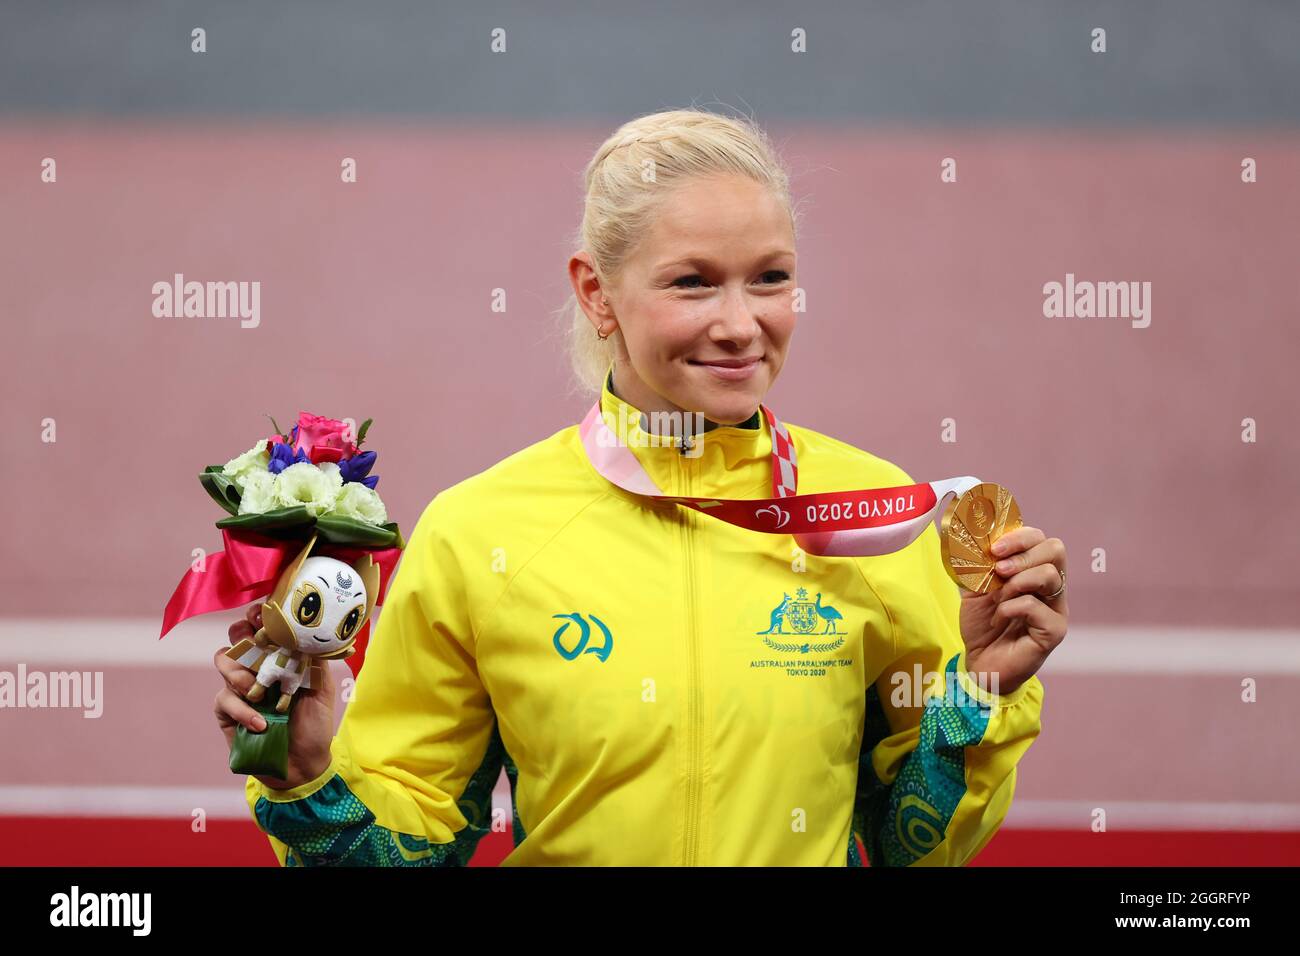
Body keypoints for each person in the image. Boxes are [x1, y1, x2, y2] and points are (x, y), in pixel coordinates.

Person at [213, 108, 1068, 867]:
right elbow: (411, 850)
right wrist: (308, 782)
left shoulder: (875, 518)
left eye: (769, 277)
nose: (740, 326)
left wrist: (980, 691)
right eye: (692, 282)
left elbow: (908, 847)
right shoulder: (480, 532)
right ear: (597, 292)